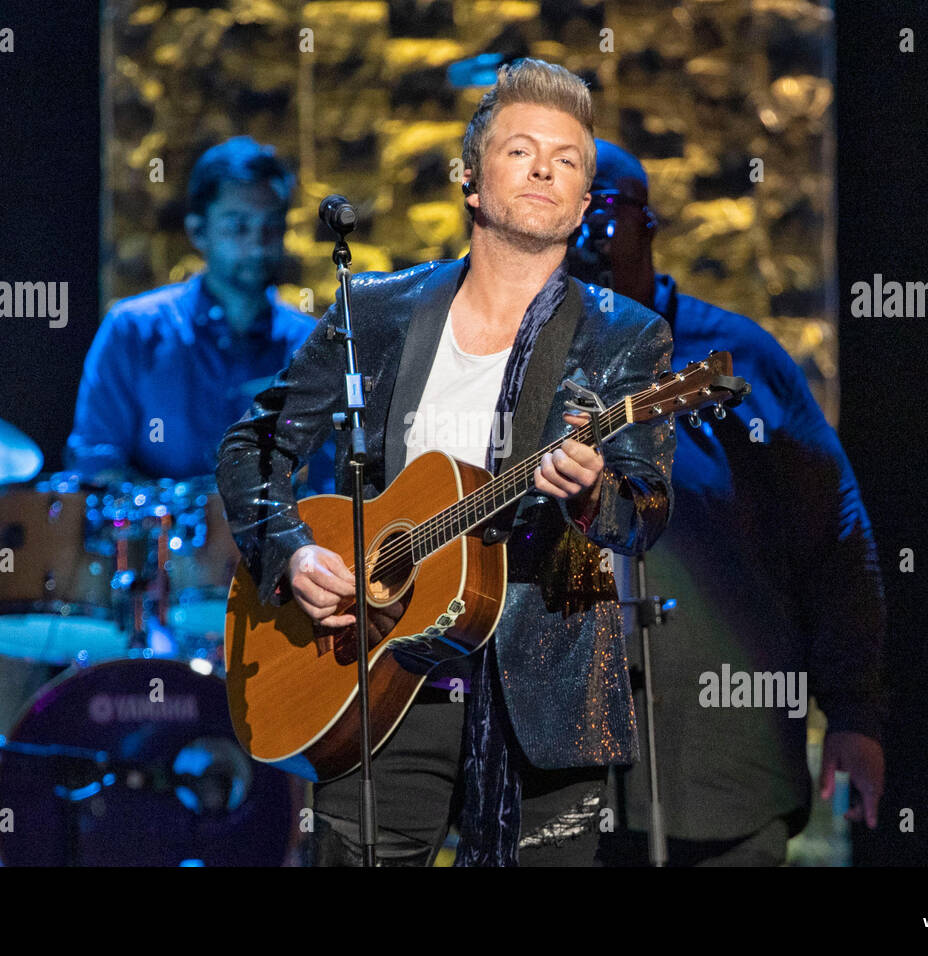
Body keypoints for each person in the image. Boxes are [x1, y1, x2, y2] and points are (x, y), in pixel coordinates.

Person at [216, 60, 675, 866]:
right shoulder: (380, 310)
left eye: (567, 161)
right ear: (470, 180)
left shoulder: (625, 336)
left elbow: (646, 512)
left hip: (547, 694)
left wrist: (592, 493)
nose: (544, 168)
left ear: (578, 204)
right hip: (374, 672)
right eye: (520, 150)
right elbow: (256, 444)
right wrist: (291, 551)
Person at [568, 140, 887, 866]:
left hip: (725, 775)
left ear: (649, 227)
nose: (583, 233)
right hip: (570, 786)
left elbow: (836, 533)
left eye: (604, 211)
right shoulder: (525, 364)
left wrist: (856, 714)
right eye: (564, 214)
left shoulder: (734, 358)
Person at [66, 136, 332, 490]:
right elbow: (97, 464)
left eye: (271, 225)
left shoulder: (310, 344)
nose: (258, 243)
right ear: (198, 231)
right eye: (237, 226)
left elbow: (330, 480)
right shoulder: (132, 329)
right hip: (161, 543)